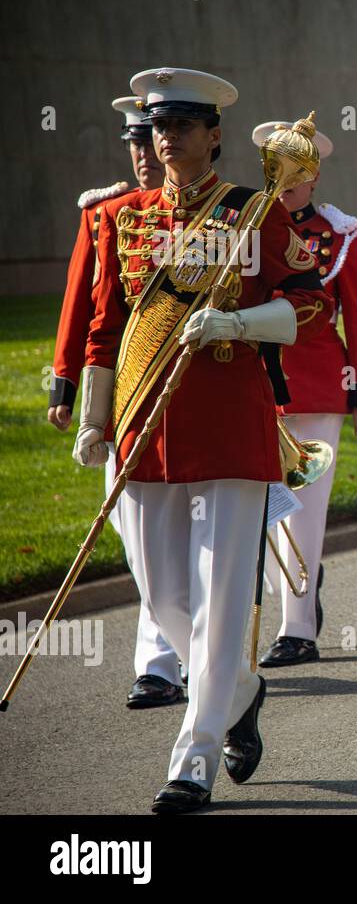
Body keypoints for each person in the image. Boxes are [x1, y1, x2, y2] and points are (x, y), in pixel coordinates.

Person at [80, 68, 332, 812]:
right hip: (147, 425)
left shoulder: (254, 214)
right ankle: (241, 690)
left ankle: (192, 761)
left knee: (224, 599)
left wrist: (236, 324)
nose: (170, 137)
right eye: (161, 125)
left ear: (214, 134)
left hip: (228, 418)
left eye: (185, 124)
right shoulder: (121, 219)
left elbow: (311, 306)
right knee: (161, 596)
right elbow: (105, 328)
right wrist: (96, 418)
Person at [50, 94, 182, 710]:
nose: (146, 152)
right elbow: (88, 309)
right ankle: (180, 651)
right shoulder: (106, 216)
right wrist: (70, 387)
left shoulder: (200, 215)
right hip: (125, 398)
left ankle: (160, 664)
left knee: (181, 536)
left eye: (153, 137)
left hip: (185, 391)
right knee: (138, 539)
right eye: (136, 142)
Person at [250, 122, 357, 665]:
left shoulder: (337, 231)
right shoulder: (245, 226)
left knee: (305, 510)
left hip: (320, 385)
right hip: (255, 384)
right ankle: (297, 593)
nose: (285, 183)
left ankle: (297, 632)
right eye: (276, 169)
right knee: (266, 508)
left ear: (315, 175)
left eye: (296, 173)